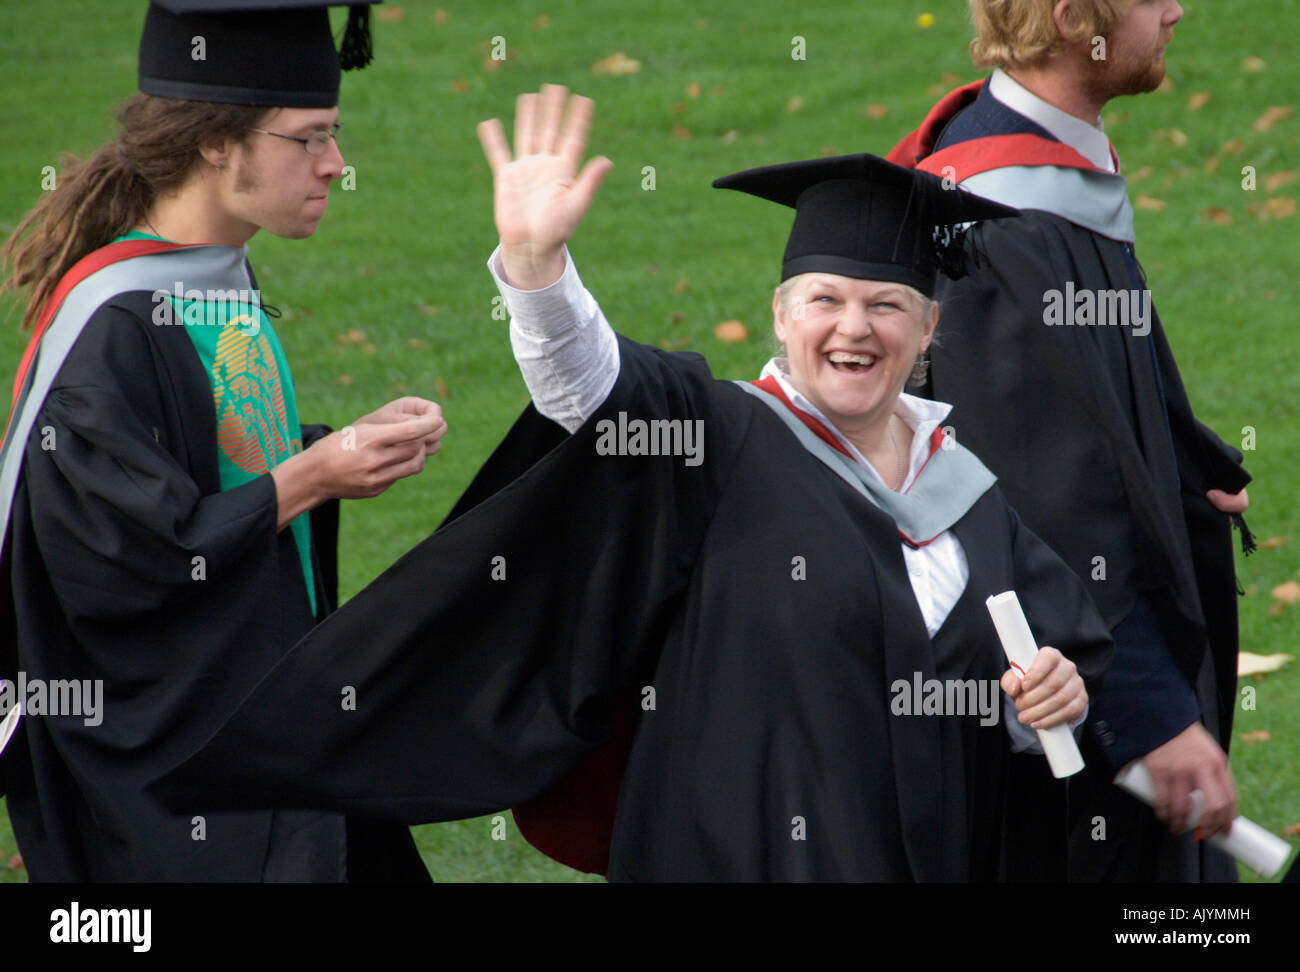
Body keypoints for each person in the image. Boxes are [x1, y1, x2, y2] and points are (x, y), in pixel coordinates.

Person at [153, 85, 1113, 882]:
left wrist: (1050, 704)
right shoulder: (724, 438)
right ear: (782, 316)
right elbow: (595, 385)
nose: (853, 329)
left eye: (887, 306)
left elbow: (1044, 687)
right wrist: (536, 265)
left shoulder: (973, 497)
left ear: (928, 332)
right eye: (825, 300)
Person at [0, 0, 444, 881]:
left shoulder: (213, 277)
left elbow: (209, 466)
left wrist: (334, 448)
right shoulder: (117, 327)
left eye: (332, 136)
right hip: (180, 783)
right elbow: (124, 560)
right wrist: (311, 479)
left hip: (264, 728)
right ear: (215, 141)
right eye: (307, 139)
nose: (335, 166)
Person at [886, 0, 1250, 881]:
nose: (1176, 9)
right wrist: (1150, 713)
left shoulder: (1029, 142)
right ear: (1069, 17)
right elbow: (1035, 498)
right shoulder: (1004, 216)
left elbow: (1079, 391)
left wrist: (1175, 461)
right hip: (1063, 692)